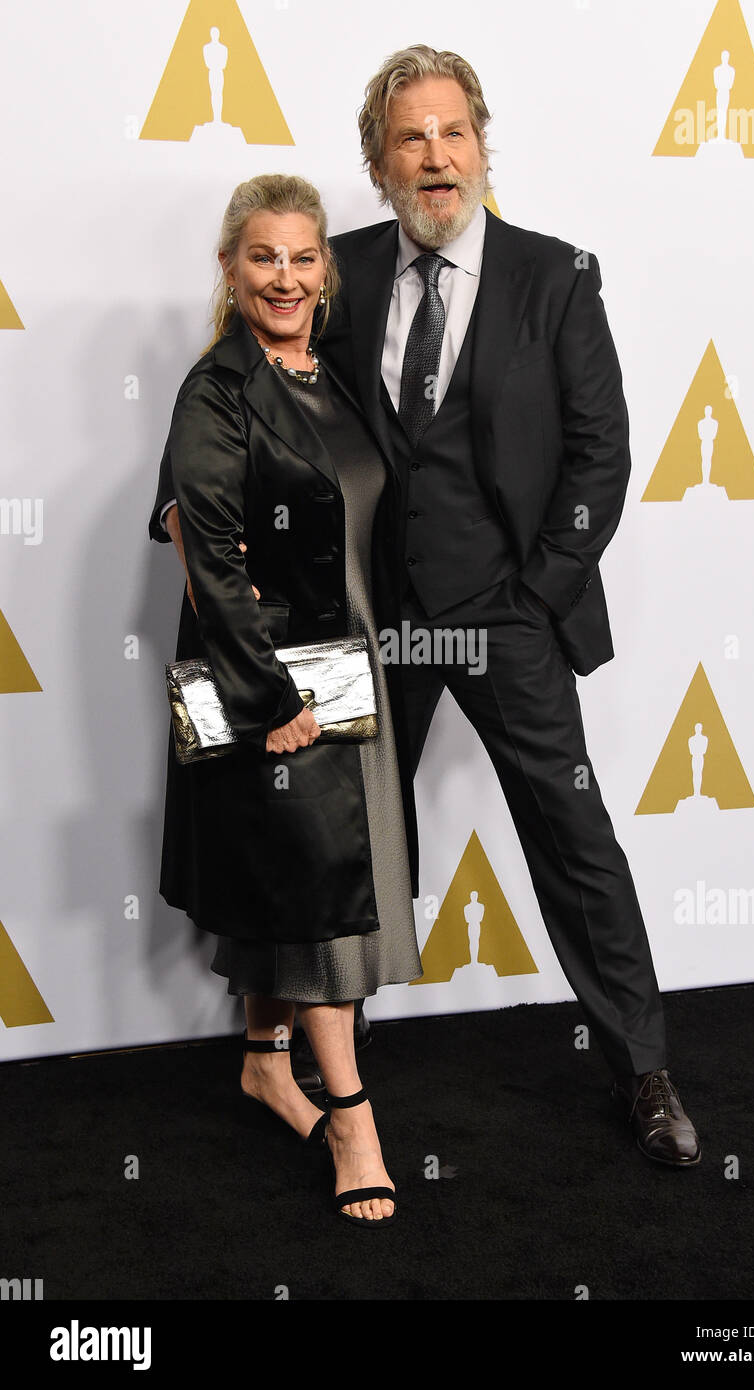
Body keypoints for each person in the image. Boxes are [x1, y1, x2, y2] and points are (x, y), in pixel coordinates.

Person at [157, 46, 702, 1167]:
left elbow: (601, 457)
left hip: (506, 614)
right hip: (367, 624)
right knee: (317, 828)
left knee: (574, 837)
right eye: (410, 136)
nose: (435, 155)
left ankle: (642, 1068)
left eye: (452, 132)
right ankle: (291, 1051)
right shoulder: (336, 267)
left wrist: (540, 597)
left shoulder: (555, 278)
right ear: (378, 159)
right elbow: (250, 385)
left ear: (481, 145)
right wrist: (185, 507)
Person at [148, 173, 422, 1224]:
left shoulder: (333, 373)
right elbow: (204, 548)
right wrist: (267, 693)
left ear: (324, 271)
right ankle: (351, 1116)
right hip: (277, 679)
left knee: (298, 877)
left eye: (303, 257)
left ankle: (266, 1063)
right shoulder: (215, 389)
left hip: (350, 662)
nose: (285, 276)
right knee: (314, 892)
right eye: (263, 256)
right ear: (229, 269)